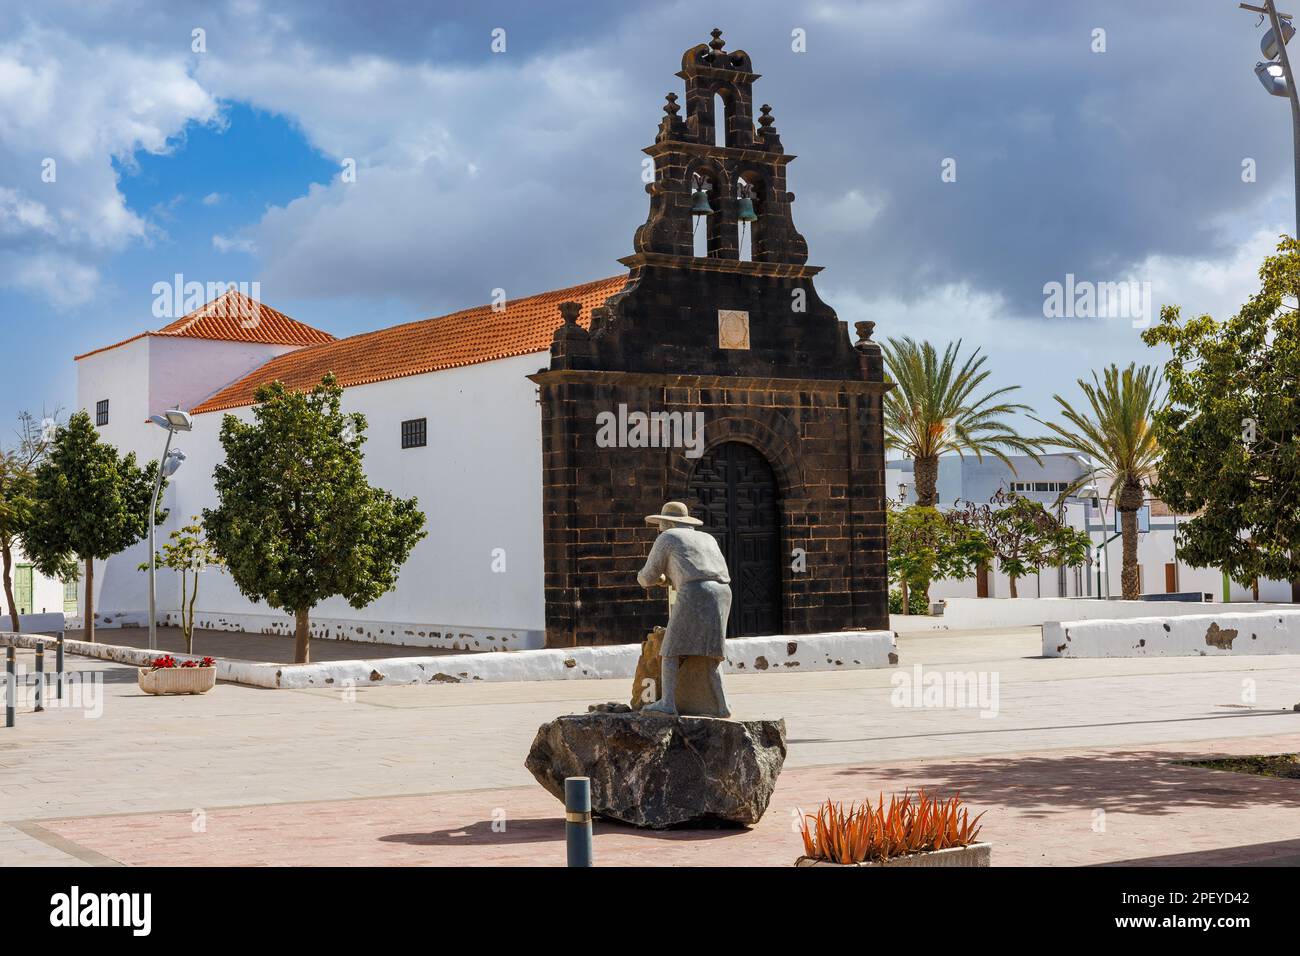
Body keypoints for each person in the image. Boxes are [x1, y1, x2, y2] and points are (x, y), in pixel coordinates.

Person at [637, 501, 731, 717]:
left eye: (660, 523)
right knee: (713, 655)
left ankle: (668, 703)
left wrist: (644, 578)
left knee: (670, 649)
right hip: (723, 592)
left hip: (695, 593)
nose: (659, 527)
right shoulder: (707, 538)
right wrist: (668, 579)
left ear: (667, 522)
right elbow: (696, 569)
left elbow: (648, 576)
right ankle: (722, 706)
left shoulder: (668, 537)